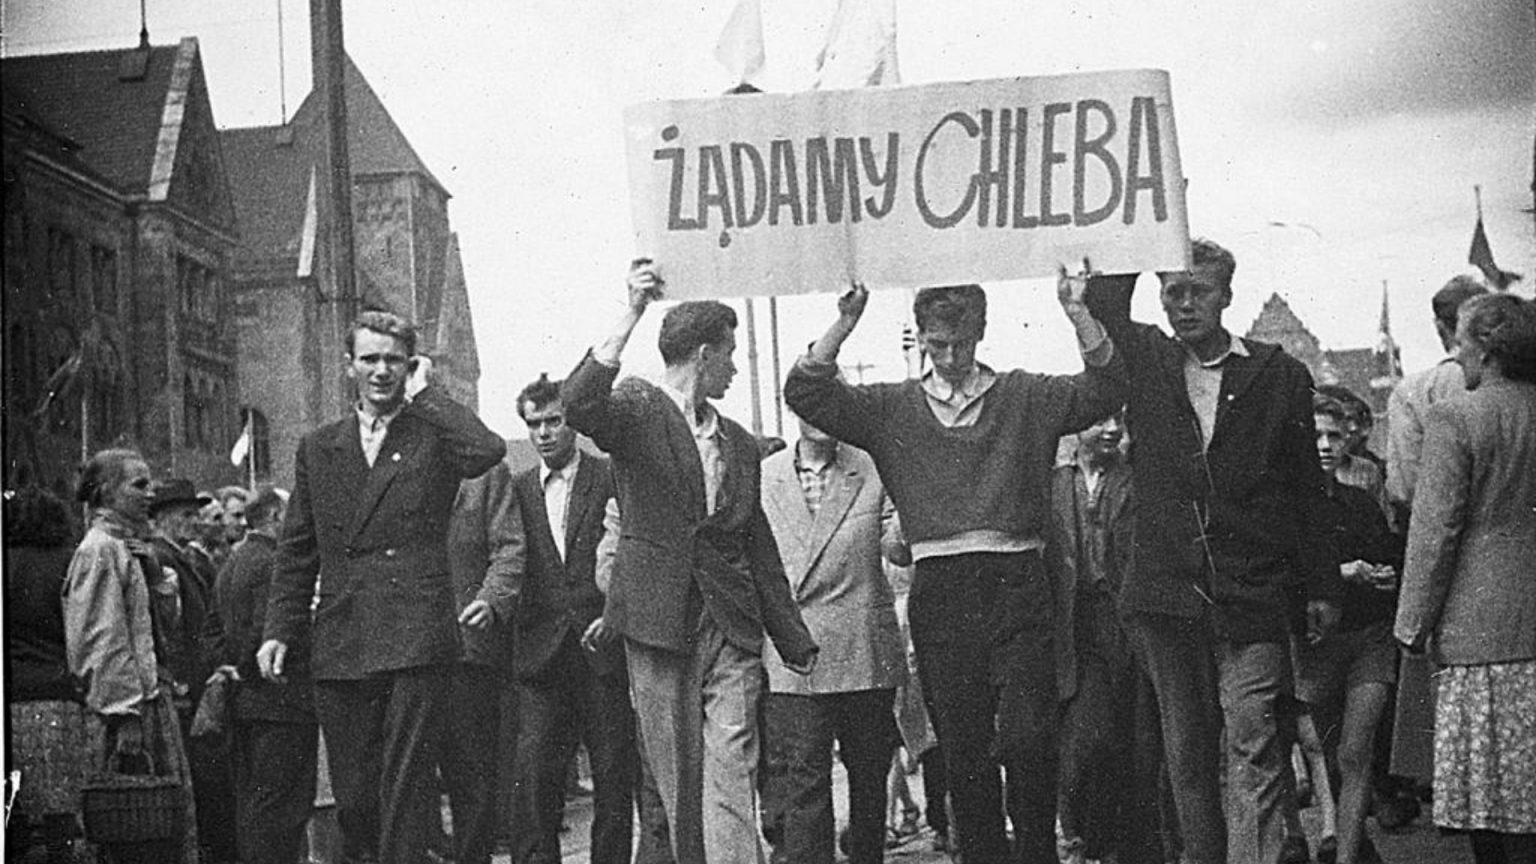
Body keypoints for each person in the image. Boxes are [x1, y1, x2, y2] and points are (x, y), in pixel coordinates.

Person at [784, 266, 1125, 864]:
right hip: (941, 591)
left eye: (960, 344)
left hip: (1018, 583)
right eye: (936, 345)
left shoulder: (1027, 395)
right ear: (919, 337)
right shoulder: (891, 407)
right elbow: (807, 393)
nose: (948, 357)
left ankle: (1038, 853)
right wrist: (845, 321)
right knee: (965, 757)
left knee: (1028, 741)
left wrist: (1078, 312)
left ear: (981, 333)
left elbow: (1106, 388)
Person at [1082, 240, 1341, 864]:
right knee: (1188, 758)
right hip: (1166, 597)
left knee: (1253, 743)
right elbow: (1103, 304)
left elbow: (1308, 490)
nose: (1186, 304)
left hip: (1252, 591)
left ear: (1227, 295)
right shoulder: (1147, 360)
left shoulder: (1279, 374)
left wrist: (1323, 587)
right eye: (1174, 291)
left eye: (1200, 290)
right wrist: (1146, 232)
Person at [561, 261, 818, 864]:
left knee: (735, 764)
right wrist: (632, 310)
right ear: (704, 354)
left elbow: (756, 544)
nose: (733, 366)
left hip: (729, 624)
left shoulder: (736, 441)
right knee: (678, 777)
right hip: (657, 624)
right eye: (728, 354)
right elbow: (579, 404)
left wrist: (791, 635)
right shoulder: (637, 411)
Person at [257, 310, 507, 864]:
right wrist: (280, 629)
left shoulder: (432, 434)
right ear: (349, 366)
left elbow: (487, 450)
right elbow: (299, 546)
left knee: (407, 788)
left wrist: (428, 395)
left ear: (410, 366)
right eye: (369, 359)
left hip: (415, 636)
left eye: (394, 360)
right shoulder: (320, 446)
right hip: (343, 638)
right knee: (356, 797)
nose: (381, 371)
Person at [1395, 293, 1536, 864]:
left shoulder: (1456, 416)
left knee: (1489, 797)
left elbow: (1434, 531)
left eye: (1462, 341)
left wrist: (1411, 623)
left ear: (1484, 347)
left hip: (1477, 625)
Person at [757, 416, 907, 864]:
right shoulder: (764, 475)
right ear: (795, 408)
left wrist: (915, 512)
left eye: (830, 404)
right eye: (810, 404)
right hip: (792, 649)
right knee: (803, 784)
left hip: (862, 650)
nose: (821, 416)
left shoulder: (875, 466)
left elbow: (896, 547)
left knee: (868, 779)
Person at [507, 374, 636, 864]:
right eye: (534, 423)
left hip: (601, 650)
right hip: (541, 657)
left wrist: (614, 612)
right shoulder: (518, 489)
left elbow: (628, 550)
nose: (544, 433)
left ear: (572, 424)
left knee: (611, 778)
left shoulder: (608, 475)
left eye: (554, 421)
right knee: (535, 778)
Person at [63, 448, 200, 863]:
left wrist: (157, 576)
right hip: (126, 716)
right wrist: (125, 715)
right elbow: (100, 641)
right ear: (106, 491)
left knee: (158, 833)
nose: (149, 493)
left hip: (148, 704)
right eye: (138, 484)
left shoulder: (129, 548)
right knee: (133, 832)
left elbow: (161, 634)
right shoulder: (100, 549)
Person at [1047, 410, 1165, 864]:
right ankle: (1074, 835)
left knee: (1138, 745)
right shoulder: (1054, 483)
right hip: (1076, 627)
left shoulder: (1134, 481)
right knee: (1089, 735)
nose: (1113, 429)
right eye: (1101, 419)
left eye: (1120, 419)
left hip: (1131, 623)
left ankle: (1122, 847)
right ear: (1077, 426)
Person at [1295, 395, 1405, 864]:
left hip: (1367, 638)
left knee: (1355, 751)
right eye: (1315, 436)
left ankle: (1346, 857)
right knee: (1328, 746)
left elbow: (1387, 553)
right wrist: (1344, 572)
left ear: (1347, 442)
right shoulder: (1289, 509)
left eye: (1334, 436)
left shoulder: (1361, 503)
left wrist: (1384, 575)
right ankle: (1343, 841)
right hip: (1319, 643)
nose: (1324, 445)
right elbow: (1287, 574)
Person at [208, 485, 317, 864]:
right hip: (282, 701)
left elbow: (212, 630)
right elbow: (266, 629)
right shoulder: (274, 565)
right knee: (281, 807)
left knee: (255, 802)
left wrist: (231, 671)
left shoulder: (232, 564)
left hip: (247, 704)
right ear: (274, 518)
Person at [438, 452, 522, 864]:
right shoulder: (385, 466)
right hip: (403, 650)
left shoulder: (487, 475)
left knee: (472, 776)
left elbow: (509, 548)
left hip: (467, 649)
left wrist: (490, 600)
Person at [148, 478, 237, 864]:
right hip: (188, 691)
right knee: (204, 787)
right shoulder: (163, 559)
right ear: (162, 519)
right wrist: (184, 685)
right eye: (185, 516)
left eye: (195, 515)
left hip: (198, 687)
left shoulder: (185, 558)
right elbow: (173, 632)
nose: (195, 523)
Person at [5, 485, 89, 862]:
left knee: (16, 808)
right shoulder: (68, 562)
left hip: (10, 696)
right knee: (60, 808)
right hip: (57, 697)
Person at [1384, 275, 1487, 516]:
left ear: (1440, 326)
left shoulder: (1412, 391)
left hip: (1442, 530)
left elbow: (1405, 488)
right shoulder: (1520, 384)